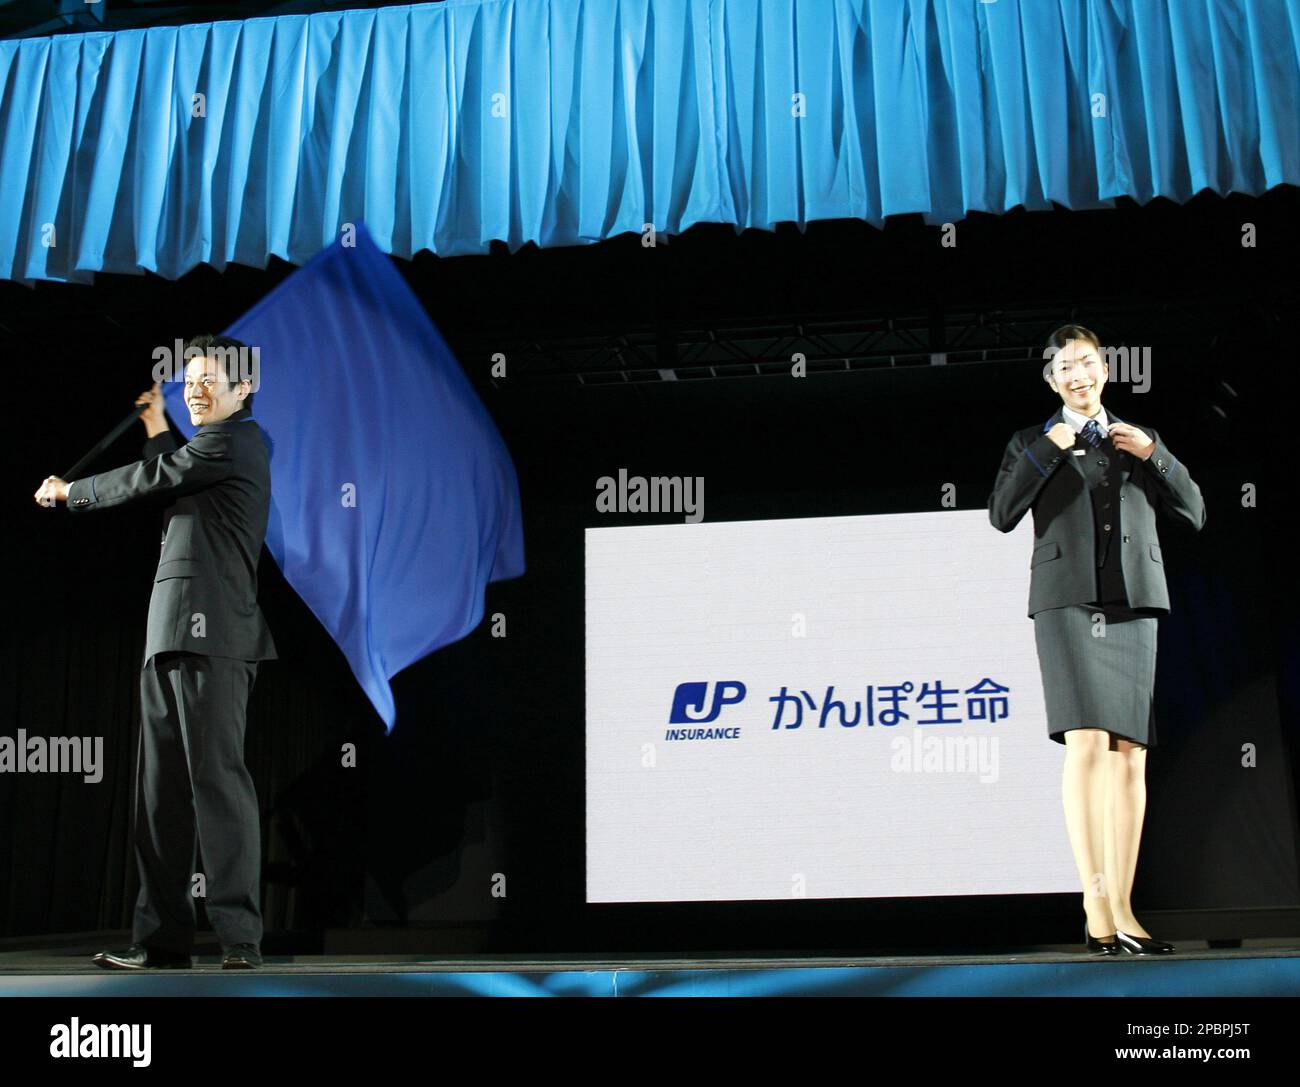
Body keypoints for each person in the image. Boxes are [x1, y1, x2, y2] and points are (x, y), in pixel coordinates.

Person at [34, 333, 277, 970]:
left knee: (218, 785)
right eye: (187, 380)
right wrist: (156, 425)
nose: (194, 391)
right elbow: (176, 478)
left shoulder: (241, 441)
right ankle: (163, 938)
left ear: (242, 389)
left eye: (207, 381)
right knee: (160, 794)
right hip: (166, 633)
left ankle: (239, 938)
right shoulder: (206, 450)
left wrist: (72, 492)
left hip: (216, 635)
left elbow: (162, 476)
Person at [988, 324, 1205, 955]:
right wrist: (1047, 451)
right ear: (1052, 381)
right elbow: (1001, 515)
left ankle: (1125, 908)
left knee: (1130, 753)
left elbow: (1194, 510)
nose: (1077, 375)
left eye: (1086, 362)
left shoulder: (1136, 438)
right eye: (1064, 368)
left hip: (1134, 602)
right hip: (1068, 603)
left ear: (1104, 369)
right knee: (1085, 741)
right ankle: (1095, 899)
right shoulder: (1033, 440)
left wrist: (1153, 454)